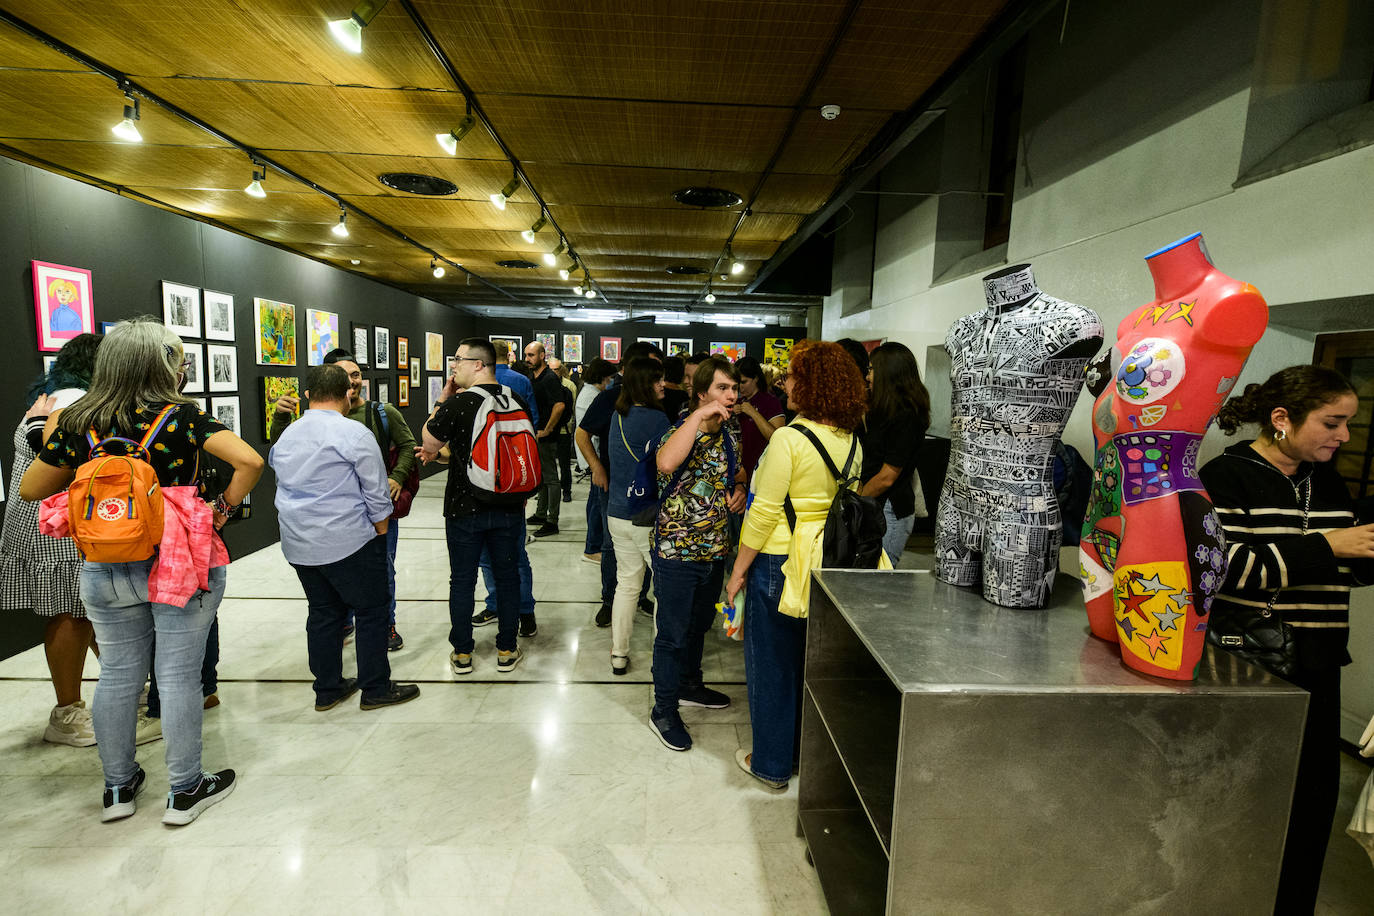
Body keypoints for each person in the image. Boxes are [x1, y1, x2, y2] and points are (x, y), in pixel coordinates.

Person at [20, 317, 264, 826]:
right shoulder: (180, 418)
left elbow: (30, 490)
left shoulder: (76, 420)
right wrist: (218, 510)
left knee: (117, 675)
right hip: (177, 560)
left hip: (105, 563)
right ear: (163, 366)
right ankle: (184, 789)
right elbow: (250, 462)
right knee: (177, 676)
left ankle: (117, 788)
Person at [1201, 365, 1374, 913]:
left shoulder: (1323, 476)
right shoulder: (1227, 474)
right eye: (1332, 422)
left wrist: (1358, 553)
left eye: (1348, 423)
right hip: (1249, 662)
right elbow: (1224, 569)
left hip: (1319, 660)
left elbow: (1341, 563)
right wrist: (1332, 546)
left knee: (1311, 804)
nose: (1343, 436)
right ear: (1282, 419)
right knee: (1243, 794)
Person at [726, 341, 868, 788]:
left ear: (811, 384)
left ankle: (770, 762)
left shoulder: (789, 438)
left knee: (772, 665)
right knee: (808, 665)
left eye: (792, 375)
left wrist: (737, 570)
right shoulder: (850, 441)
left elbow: (763, 512)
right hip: (825, 560)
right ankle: (800, 754)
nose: (784, 382)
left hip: (778, 560)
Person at [270, 364, 420, 713]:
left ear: (308, 395)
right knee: (371, 611)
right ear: (347, 394)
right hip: (348, 540)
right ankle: (376, 688)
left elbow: (277, 468)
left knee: (323, 613)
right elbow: (377, 491)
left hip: (299, 543)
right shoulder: (353, 434)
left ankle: (328, 689)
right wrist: (381, 534)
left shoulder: (288, 435)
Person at [1, 334, 102, 746]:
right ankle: (66, 713)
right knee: (71, 612)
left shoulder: (57, 395)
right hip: (52, 523)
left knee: (89, 609)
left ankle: (126, 690)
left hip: (48, 518)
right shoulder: (71, 402)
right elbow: (60, 458)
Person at [647, 356, 744, 752]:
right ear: (702, 392)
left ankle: (689, 686)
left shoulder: (728, 434)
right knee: (671, 634)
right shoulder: (681, 429)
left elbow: (734, 475)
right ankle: (664, 710)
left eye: (734, 388)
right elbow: (667, 462)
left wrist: (737, 493)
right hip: (676, 550)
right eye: (722, 388)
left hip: (713, 549)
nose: (732, 396)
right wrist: (697, 414)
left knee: (698, 625)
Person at [418, 339, 530, 675]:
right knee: (508, 577)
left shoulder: (460, 403)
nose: (453, 366)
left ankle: (463, 653)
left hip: (464, 507)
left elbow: (428, 441)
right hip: (509, 504)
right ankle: (507, 649)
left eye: (458, 360)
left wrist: (441, 400)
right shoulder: (516, 399)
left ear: (478, 364)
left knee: (462, 580)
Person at [577, 343, 662, 627]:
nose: (658, 380)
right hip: (614, 488)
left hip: (646, 494)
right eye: (650, 371)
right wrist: (597, 467)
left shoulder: (658, 405)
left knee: (640, 557)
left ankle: (637, 598)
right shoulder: (611, 400)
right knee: (614, 548)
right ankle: (609, 600)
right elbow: (582, 433)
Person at [606, 357, 671, 675]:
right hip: (647, 515)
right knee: (662, 586)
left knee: (627, 585)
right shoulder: (657, 420)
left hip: (617, 512)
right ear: (644, 383)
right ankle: (661, 656)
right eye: (658, 380)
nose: (664, 385)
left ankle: (619, 654)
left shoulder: (618, 415)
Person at [859, 342, 931, 567]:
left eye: (871, 369)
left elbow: (887, 476)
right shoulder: (883, 410)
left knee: (877, 578)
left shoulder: (907, 416)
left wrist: (857, 498)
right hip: (875, 505)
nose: (867, 375)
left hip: (889, 509)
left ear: (888, 372)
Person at [524, 341, 569, 537]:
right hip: (536, 434)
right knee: (542, 476)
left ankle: (552, 521)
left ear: (542, 355)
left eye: (531, 355)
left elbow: (559, 406)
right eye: (526, 355)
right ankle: (541, 514)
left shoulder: (549, 378)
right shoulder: (533, 377)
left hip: (546, 436)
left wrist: (548, 429)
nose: (527, 359)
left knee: (550, 478)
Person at [576, 358, 614, 564]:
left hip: (593, 457)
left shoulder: (589, 392)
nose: (610, 382)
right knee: (598, 505)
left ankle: (592, 546)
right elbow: (590, 433)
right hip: (596, 457)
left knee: (595, 503)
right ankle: (592, 547)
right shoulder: (594, 395)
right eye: (609, 378)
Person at [733, 356, 786, 480]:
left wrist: (754, 413)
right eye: (737, 383)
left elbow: (777, 438)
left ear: (756, 378)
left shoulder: (770, 401)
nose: (740, 387)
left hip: (762, 471)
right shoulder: (737, 401)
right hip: (739, 471)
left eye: (744, 382)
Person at [549, 357, 578, 502]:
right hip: (548, 430)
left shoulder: (570, 385)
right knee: (548, 465)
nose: (554, 372)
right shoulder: (544, 384)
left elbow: (571, 410)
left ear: (561, 370)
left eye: (556, 369)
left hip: (563, 430)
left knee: (565, 463)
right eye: (551, 369)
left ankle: (566, 491)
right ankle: (547, 493)